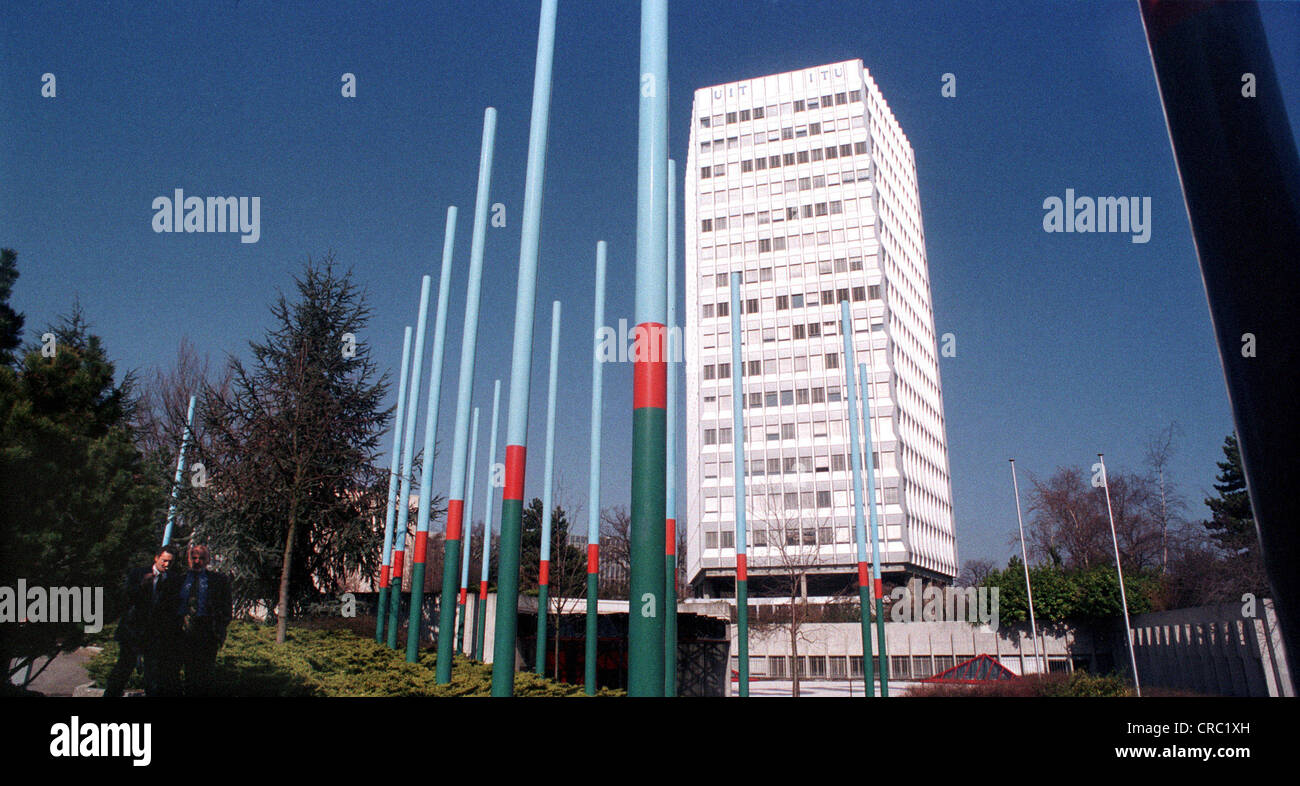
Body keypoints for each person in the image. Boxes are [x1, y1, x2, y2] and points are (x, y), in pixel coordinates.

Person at [105, 544, 180, 697]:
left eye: (170, 562)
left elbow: (172, 609)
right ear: (156, 558)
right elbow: (125, 599)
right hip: (132, 632)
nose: (167, 565)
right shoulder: (138, 574)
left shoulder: (174, 580)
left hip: (155, 636)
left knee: (153, 676)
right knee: (123, 669)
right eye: (164, 561)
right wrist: (142, 586)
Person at [174, 544, 231, 696]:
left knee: (204, 675)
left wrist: (218, 629)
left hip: (207, 633)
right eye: (194, 558)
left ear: (208, 560)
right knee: (179, 673)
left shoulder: (219, 580)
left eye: (201, 558)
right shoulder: (179, 580)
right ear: (189, 559)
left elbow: (226, 608)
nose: (197, 561)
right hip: (181, 633)